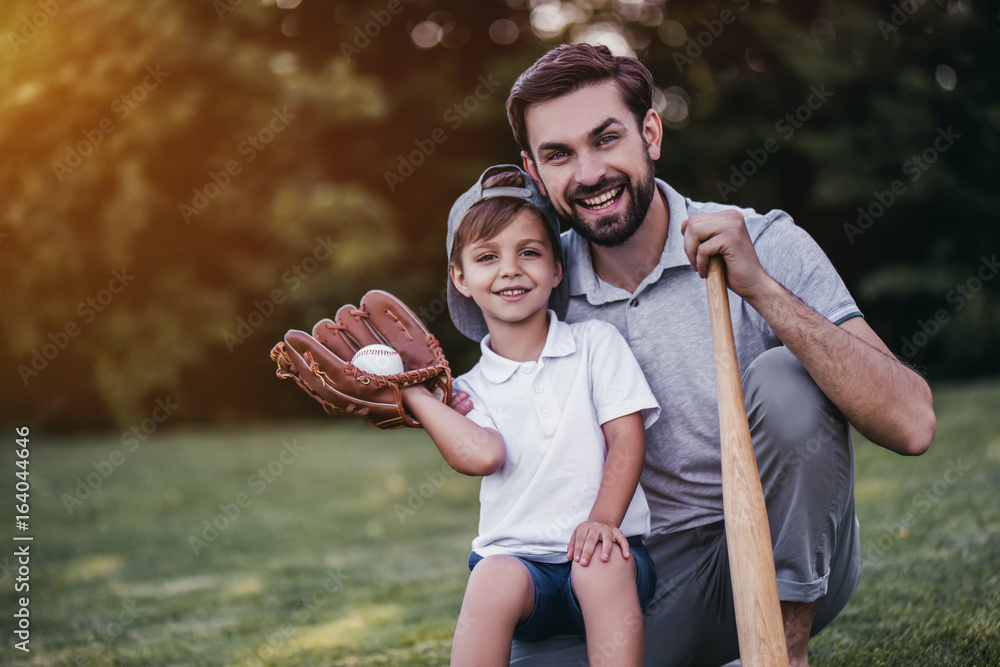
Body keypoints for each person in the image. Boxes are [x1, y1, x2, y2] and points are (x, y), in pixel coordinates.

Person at [448, 44, 937, 666]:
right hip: (639, 570)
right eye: (559, 154)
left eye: (607, 138)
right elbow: (475, 354)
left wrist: (759, 286)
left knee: (789, 379)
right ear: (534, 170)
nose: (591, 171)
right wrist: (402, 389)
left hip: (782, 549)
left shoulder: (760, 241)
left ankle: (779, 656)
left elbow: (912, 423)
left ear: (650, 132)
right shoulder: (534, 281)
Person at [402, 164, 661, 666]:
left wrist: (603, 521)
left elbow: (627, 441)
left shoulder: (594, 345)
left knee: (600, 563)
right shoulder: (467, 391)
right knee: (492, 577)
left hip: (610, 549)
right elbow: (482, 455)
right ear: (461, 277)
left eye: (529, 252)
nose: (510, 269)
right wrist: (418, 397)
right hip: (523, 571)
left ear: (557, 267)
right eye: (486, 257)